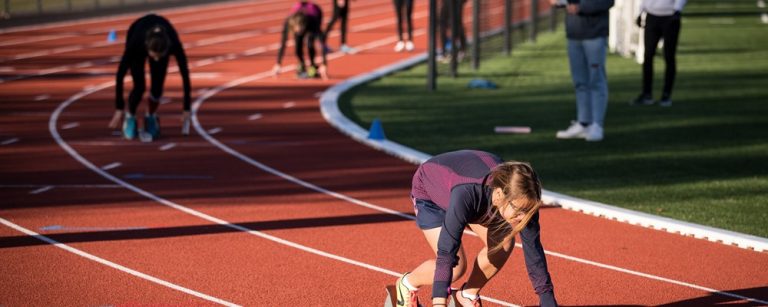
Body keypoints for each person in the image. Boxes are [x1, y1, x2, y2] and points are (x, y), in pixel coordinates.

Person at [394, 150, 557, 307]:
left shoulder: (524, 201)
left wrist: (547, 298)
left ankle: (467, 295)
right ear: (500, 195)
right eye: (519, 211)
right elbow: (446, 253)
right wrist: (439, 302)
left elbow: (533, 250)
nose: (524, 217)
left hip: (472, 195)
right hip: (431, 193)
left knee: (503, 244)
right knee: (456, 268)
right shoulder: (467, 194)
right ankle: (406, 284)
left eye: (528, 211)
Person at [109, 13, 191, 140]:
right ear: (148, 49)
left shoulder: (173, 43)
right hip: (138, 31)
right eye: (154, 56)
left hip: (161, 37)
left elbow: (185, 74)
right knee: (139, 86)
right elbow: (120, 74)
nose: (156, 59)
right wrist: (119, 107)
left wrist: (187, 108)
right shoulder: (136, 43)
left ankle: (151, 115)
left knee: (157, 87)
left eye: (160, 56)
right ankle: (130, 116)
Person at [552, 0, 614, 142]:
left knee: (596, 80)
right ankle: (583, 123)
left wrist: (581, 7)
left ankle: (597, 125)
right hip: (573, 34)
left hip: (595, 34)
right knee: (579, 82)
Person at [630, 0, 687, 107]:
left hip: (670, 16)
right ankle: (647, 94)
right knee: (648, 55)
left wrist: (677, 10)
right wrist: (640, 12)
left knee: (669, 56)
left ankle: (666, 95)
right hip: (651, 16)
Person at [273, 1, 329, 80]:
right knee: (297, 46)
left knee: (310, 42)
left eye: (301, 30)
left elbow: (321, 42)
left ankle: (313, 65)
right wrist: (278, 63)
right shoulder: (288, 23)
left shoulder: (312, 22)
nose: (299, 32)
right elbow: (283, 43)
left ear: (303, 26)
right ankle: (302, 64)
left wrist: (324, 64)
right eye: (297, 31)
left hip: (316, 12)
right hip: (299, 17)